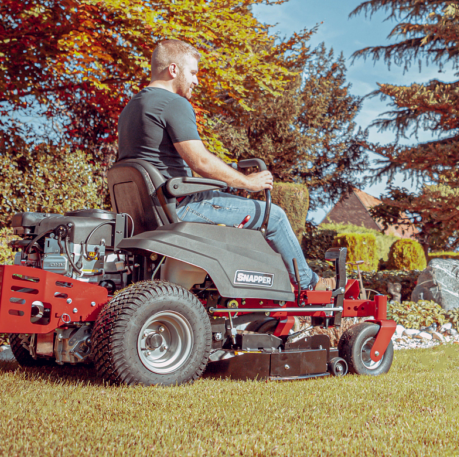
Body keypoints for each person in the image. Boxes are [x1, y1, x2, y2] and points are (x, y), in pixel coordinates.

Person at [116, 38, 332, 291]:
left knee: (226, 194)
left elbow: (166, 159)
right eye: (193, 73)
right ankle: (309, 285)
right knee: (274, 217)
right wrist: (248, 182)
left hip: (149, 209)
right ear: (173, 70)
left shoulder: (132, 107)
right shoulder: (173, 103)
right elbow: (200, 161)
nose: (196, 81)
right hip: (180, 205)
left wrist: (228, 177)